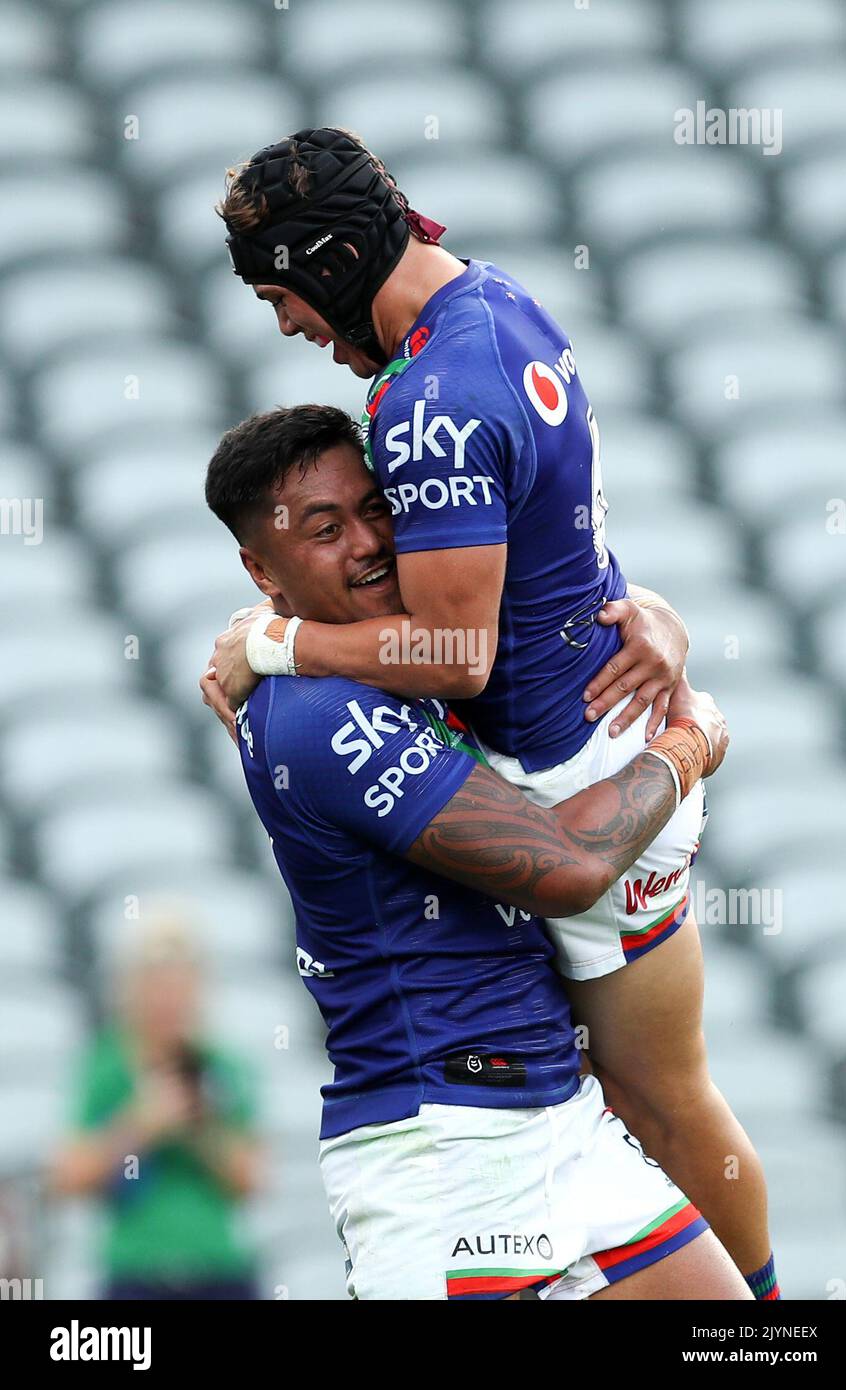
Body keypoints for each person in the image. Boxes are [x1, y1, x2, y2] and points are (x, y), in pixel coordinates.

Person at [201, 128, 778, 1301]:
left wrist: (277, 640)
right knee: (671, 1099)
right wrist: (649, 609)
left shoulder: (425, 405)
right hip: (593, 750)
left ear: (329, 261)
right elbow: (554, 551)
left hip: (582, 792)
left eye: (282, 296)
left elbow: (460, 653)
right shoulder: (500, 308)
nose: (289, 329)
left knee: (663, 1104)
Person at [51, 918, 262, 1300]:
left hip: (220, 1267)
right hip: (135, 1270)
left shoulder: (221, 1066)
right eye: (157, 985)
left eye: (179, 985)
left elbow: (250, 1180)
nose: (168, 1000)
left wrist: (197, 1125)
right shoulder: (107, 1066)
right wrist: (140, 1126)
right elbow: (69, 1176)